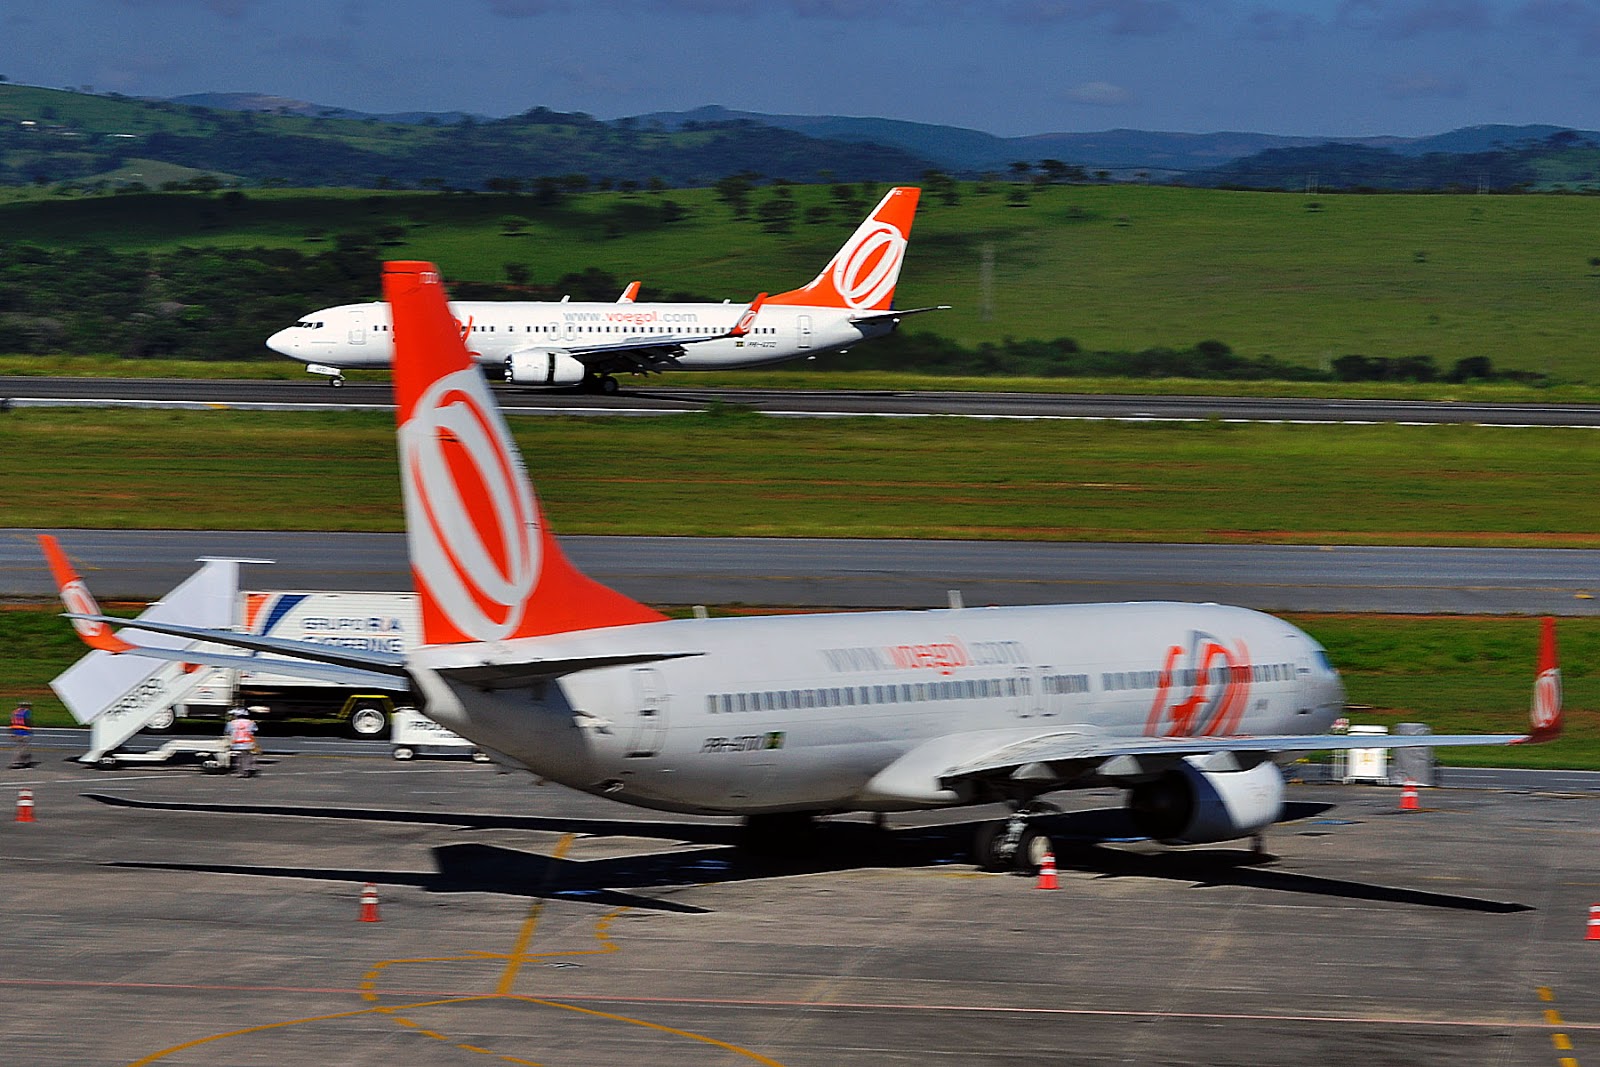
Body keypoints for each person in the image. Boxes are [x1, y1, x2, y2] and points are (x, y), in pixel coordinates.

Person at [225, 707, 259, 778]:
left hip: (236, 743)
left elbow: (227, 732)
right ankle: (246, 770)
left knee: (238, 758)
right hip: (248, 742)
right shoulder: (251, 722)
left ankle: (240, 771)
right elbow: (254, 730)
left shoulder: (231, 723)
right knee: (247, 757)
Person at [9, 700, 32, 769]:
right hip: (23, 732)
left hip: (15, 731)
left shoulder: (14, 712)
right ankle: (18, 762)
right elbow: (27, 721)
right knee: (22, 748)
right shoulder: (26, 712)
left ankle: (19, 761)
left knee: (18, 747)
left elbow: (11, 722)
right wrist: (29, 729)